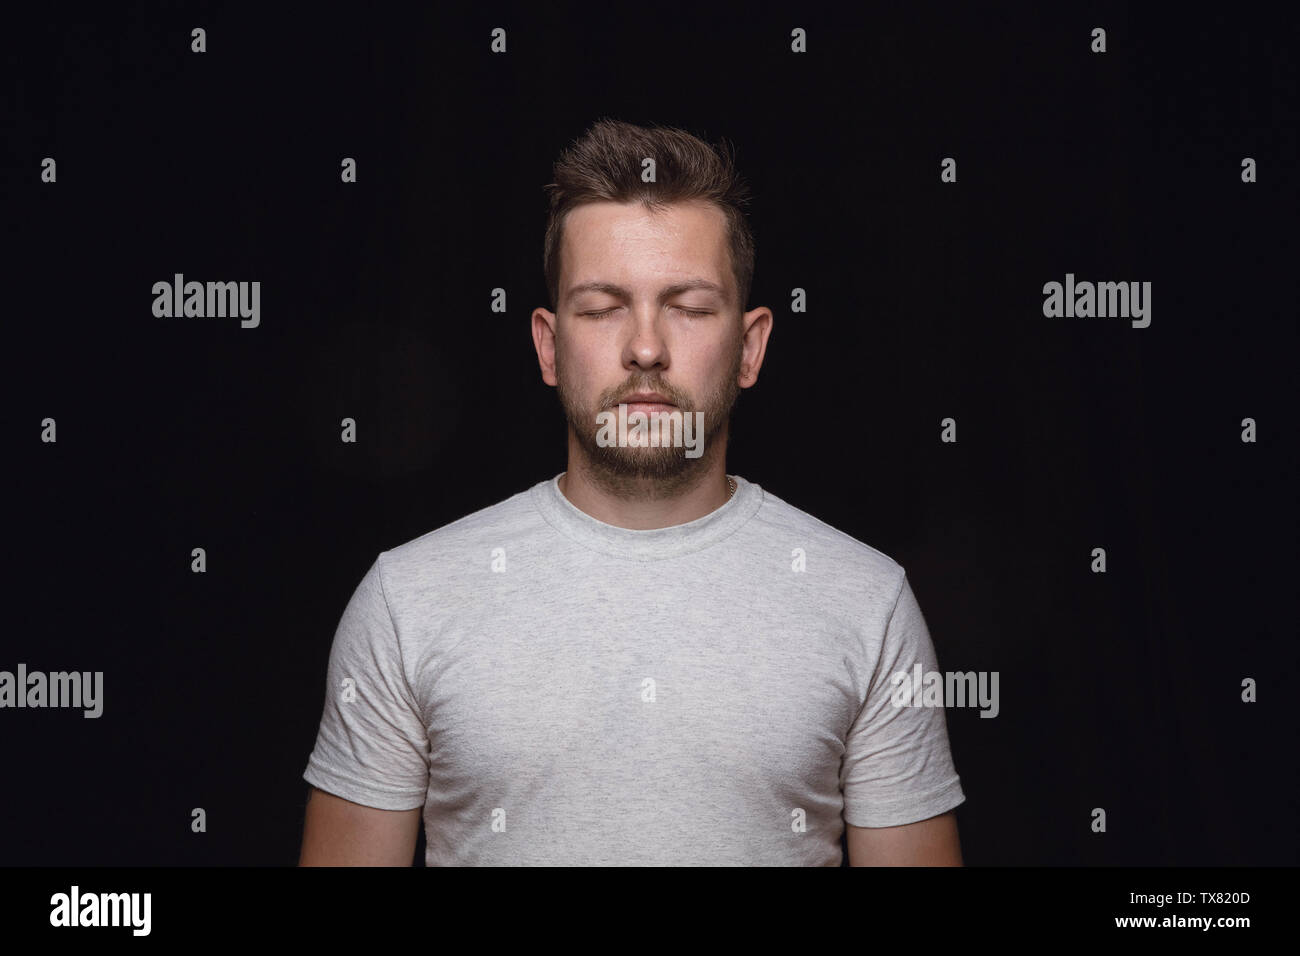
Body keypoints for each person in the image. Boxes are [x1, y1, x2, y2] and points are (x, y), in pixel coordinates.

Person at [298, 118, 965, 866]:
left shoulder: (866, 604)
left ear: (750, 347)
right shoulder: (407, 601)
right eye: (602, 306)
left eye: (687, 305)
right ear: (549, 345)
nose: (645, 346)